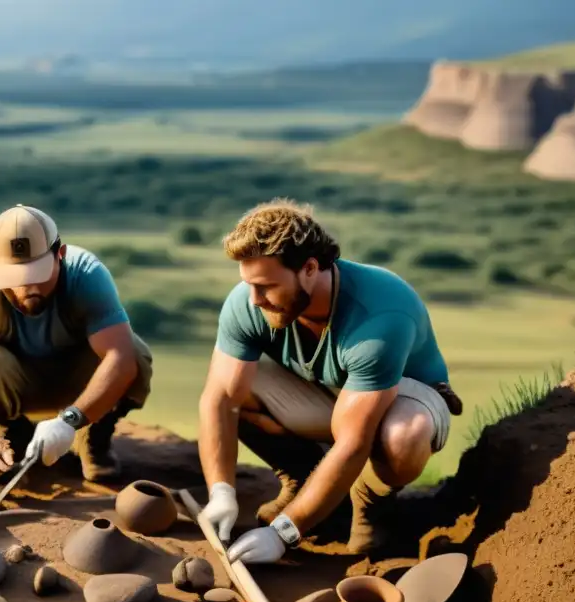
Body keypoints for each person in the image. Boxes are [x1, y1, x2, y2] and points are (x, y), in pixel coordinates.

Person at [197, 199, 462, 565]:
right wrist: (221, 492)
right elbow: (220, 401)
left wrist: (284, 532)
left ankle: (369, 502)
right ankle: (303, 482)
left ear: (309, 268)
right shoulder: (250, 300)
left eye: (267, 286)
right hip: (327, 391)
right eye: (248, 284)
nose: (254, 300)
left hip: (401, 399)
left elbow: (353, 442)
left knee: (403, 437)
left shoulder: (379, 316)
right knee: (233, 386)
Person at [0, 203, 153, 485]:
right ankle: (10, 437)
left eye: (39, 274)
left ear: (59, 255)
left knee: (134, 352)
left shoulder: (86, 275)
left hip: (79, 380)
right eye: (16, 278)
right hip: (14, 384)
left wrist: (70, 421)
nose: (30, 289)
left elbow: (120, 359)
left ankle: (93, 434)